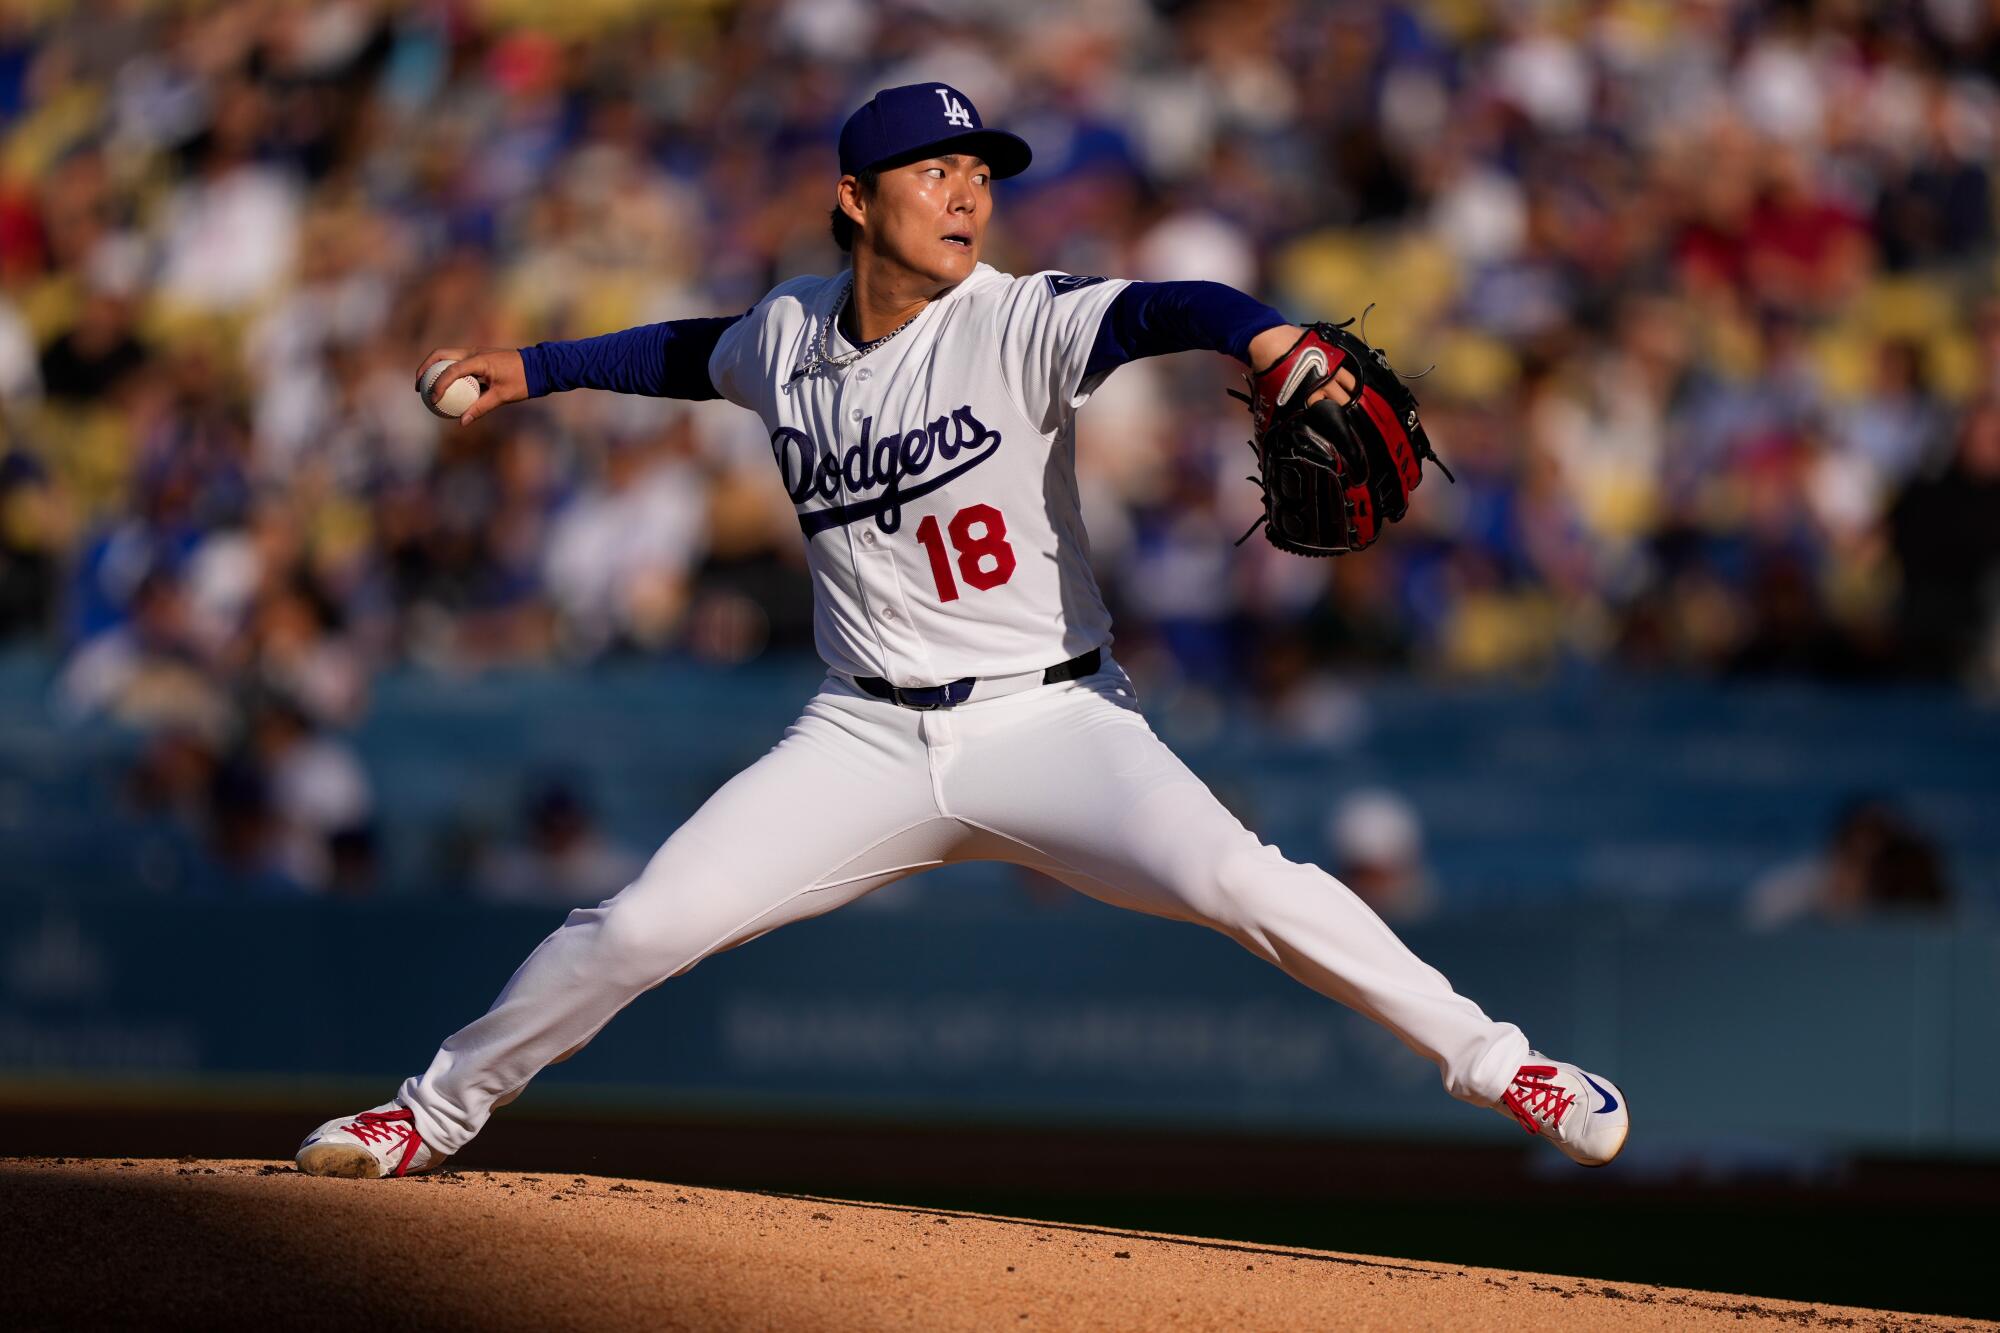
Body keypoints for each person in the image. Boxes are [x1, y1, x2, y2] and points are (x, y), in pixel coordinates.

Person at [297, 84, 1627, 1180]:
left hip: (1050, 721)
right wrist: (532, 368)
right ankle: (427, 1112)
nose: (967, 192)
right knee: (639, 926)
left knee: (1242, 882)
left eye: (979, 171)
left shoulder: (1016, 321)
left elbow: (1169, 309)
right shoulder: (784, 338)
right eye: (932, 170)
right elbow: (684, 349)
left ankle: (1504, 1064)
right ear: (854, 200)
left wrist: (1266, 332)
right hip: (860, 735)